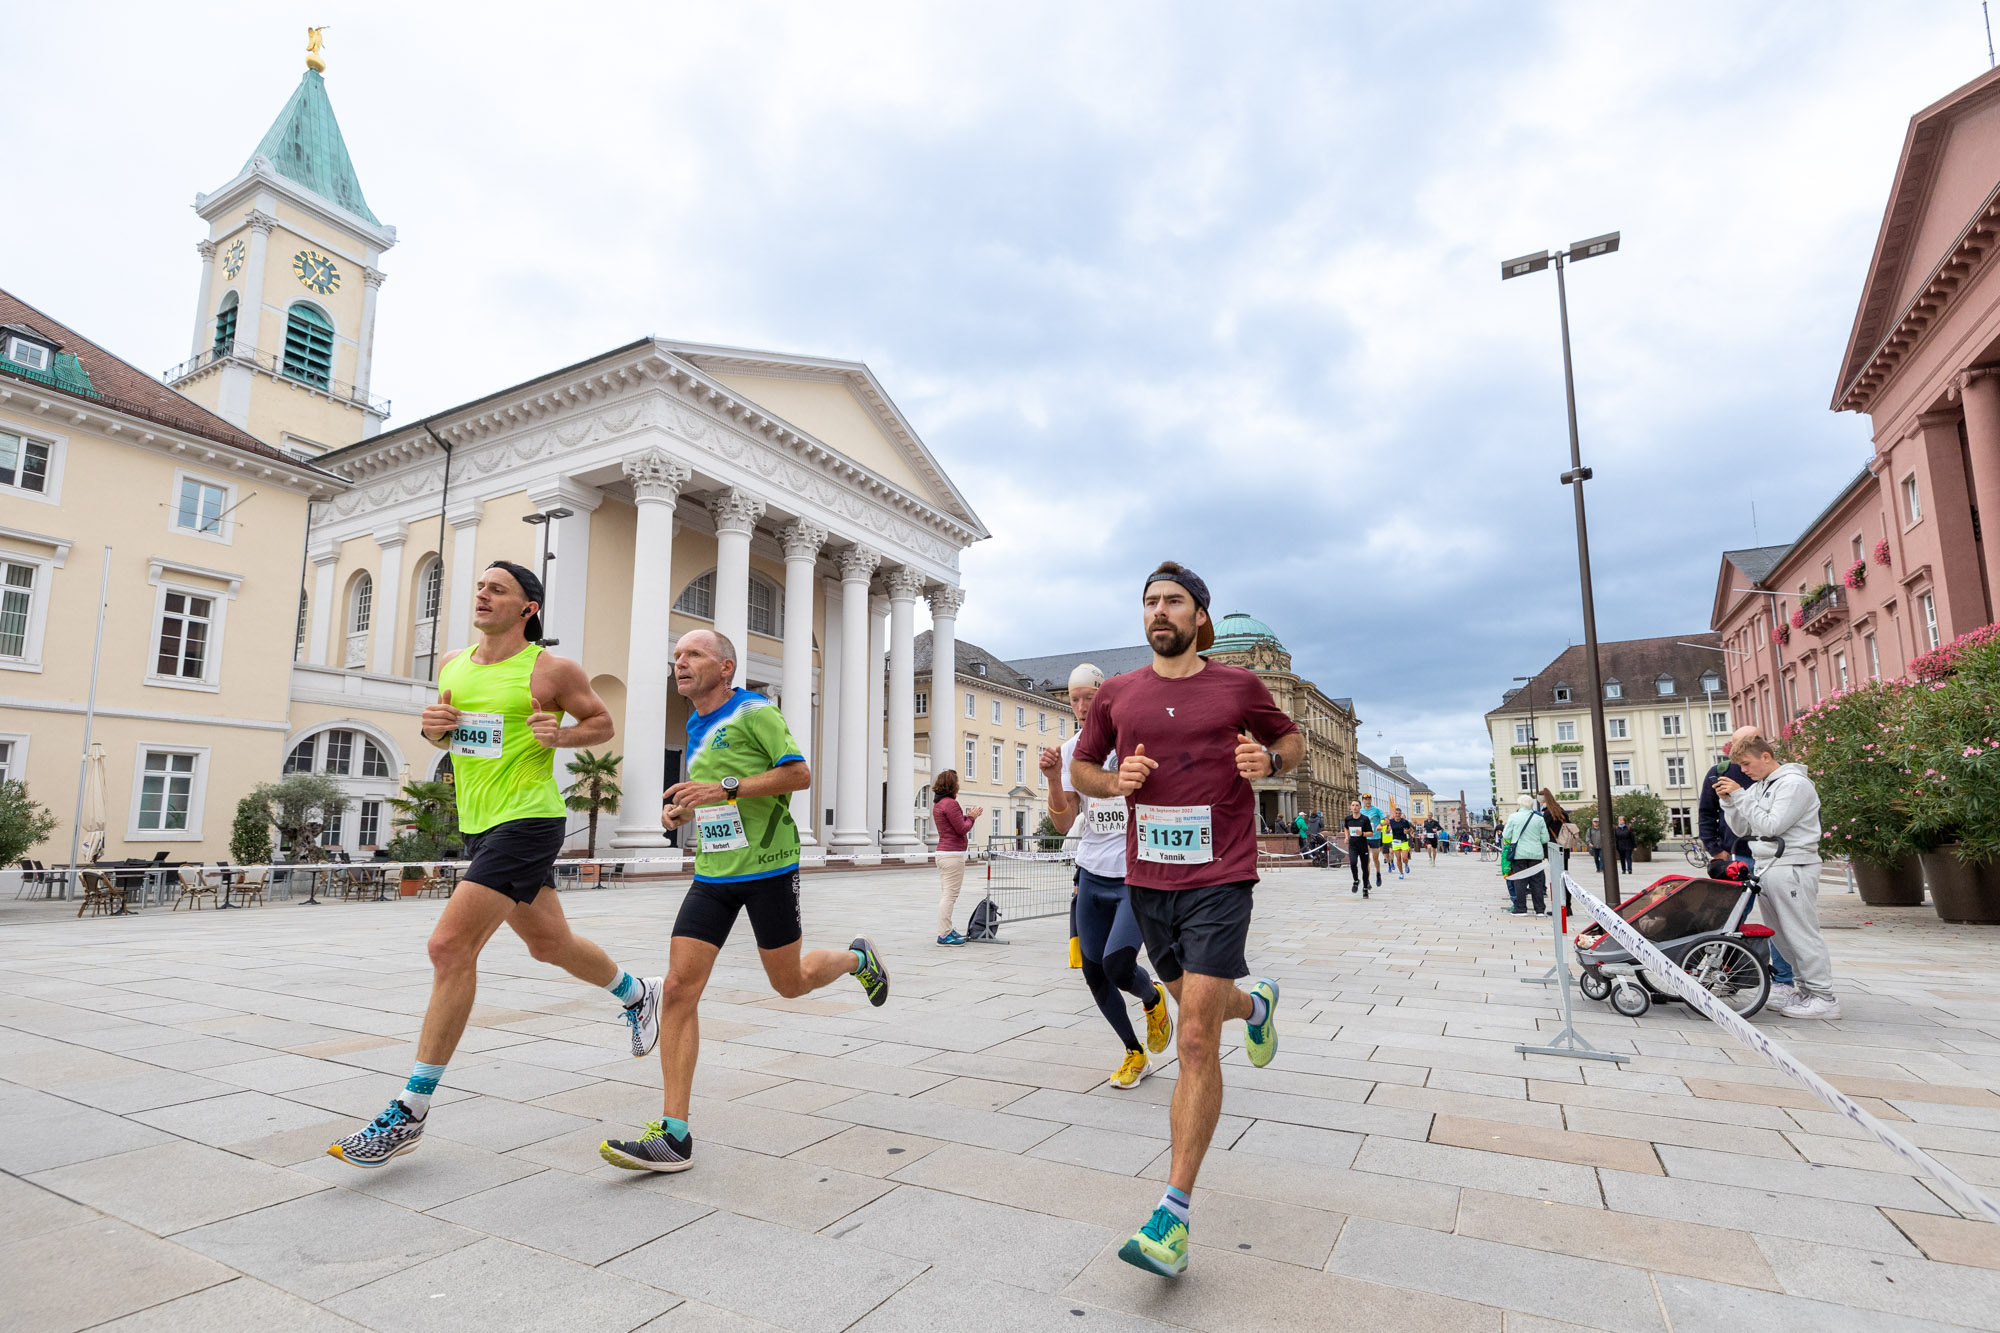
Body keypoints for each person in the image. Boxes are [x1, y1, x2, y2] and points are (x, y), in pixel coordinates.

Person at [329, 562, 652, 1169]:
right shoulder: (453, 663)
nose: (482, 595)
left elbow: (602, 723)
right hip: (478, 824)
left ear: (528, 607)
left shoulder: (550, 669)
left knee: (449, 947)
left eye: (497, 589)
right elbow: (446, 737)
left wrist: (561, 737)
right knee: (550, 945)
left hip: (529, 818)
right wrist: (433, 731)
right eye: (480, 587)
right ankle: (637, 994)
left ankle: (410, 1110)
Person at [1071, 561, 1302, 1279]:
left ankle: (1173, 1212)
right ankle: (1255, 1002)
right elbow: (1083, 768)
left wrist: (1265, 758)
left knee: (1195, 1037)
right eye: (1149, 602)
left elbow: (1290, 742)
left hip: (1221, 876)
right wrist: (1114, 781)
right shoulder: (1119, 693)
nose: (1158, 611)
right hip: (1149, 884)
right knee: (1199, 1004)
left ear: (1201, 615)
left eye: (1172, 600)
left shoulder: (1238, 685)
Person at [599, 630, 889, 1173]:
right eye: (677, 656)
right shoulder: (695, 723)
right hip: (713, 873)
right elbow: (712, 797)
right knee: (681, 989)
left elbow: (798, 774)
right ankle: (674, 1134)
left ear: (726, 667)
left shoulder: (755, 711)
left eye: (694, 655)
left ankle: (858, 959)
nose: (680, 663)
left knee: (789, 982)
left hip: (769, 868)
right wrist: (684, 811)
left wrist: (722, 788)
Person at [1042, 663, 1173, 1089]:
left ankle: (1152, 997)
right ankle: (1134, 1053)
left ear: (1105, 696)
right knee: (1093, 971)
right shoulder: (1072, 750)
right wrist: (1050, 780)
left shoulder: (1132, 736)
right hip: (1091, 873)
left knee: (1118, 963)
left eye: (1088, 698)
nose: (1081, 707)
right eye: (1074, 699)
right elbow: (1063, 824)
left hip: (1134, 873)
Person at [1715, 734, 1840, 1019]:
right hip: (1768, 864)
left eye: (1747, 764)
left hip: (1792, 863)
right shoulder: (1761, 786)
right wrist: (1729, 803)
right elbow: (1744, 829)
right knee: (1782, 936)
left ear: (1766, 756)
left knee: (1800, 931)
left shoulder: (1794, 784)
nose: (1744, 770)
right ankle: (1805, 989)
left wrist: (1740, 795)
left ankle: (1823, 996)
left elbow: (1772, 826)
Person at [1701, 726, 1797, 1005]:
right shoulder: (1719, 771)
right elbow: (1707, 813)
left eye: (1749, 743)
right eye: (1738, 745)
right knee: (1733, 917)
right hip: (1737, 854)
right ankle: (1731, 972)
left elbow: (1771, 820)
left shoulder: (1774, 777)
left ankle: (1783, 978)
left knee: (1776, 918)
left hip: (1772, 854)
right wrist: (1716, 850)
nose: (1743, 760)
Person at [930, 770, 982, 945]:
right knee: (950, 896)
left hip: (943, 853)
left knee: (947, 894)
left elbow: (955, 824)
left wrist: (967, 816)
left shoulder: (938, 804)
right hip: (953, 854)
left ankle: (947, 930)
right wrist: (972, 818)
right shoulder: (951, 803)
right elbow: (961, 828)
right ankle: (944, 934)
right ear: (953, 785)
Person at [1499, 793, 1549, 915]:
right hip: (1536, 854)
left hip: (1519, 853)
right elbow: (1545, 838)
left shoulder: (1513, 817)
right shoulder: (1539, 818)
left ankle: (1521, 909)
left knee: (1520, 880)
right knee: (1536, 881)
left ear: (1520, 804)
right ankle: (1540, 910)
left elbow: (1506, 835)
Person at [1341, 799, 1373, 896]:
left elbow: (1371, 833)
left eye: (1357, 805)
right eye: (1353, 805)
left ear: (1360, 807)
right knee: (1353, 863)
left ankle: (1365, 888)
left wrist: (1362, 833)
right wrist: (1346, 837)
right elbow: (1346, 828)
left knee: (1364, 867)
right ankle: (1356, 880)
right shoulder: (1348, 819)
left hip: (1363, 846)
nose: (1355, 807)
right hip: (1353, 846)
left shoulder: (1365, 819)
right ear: (1350, 807)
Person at [1361, 794, 1385, 888]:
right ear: (1363, 800)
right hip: (1365, 838)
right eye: (1366, 799)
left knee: (1375, 858)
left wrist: (1380, 825)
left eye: (1369, 799)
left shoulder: (1377, 810)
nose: (1368, 801)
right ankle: (1367, 880)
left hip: (1375, 837)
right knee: (1366, 860)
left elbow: (1386, 820)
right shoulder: (1360, 811)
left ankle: (1378, 873)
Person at [1386, 807, 1413, 879]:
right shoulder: (1390, 821)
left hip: (1404, 841)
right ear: (1394, 814)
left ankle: (1406, 864)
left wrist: (1407, 832)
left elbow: (1410, 829)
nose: (1398, 815)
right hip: (1395, 841)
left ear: (1401, 814)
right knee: (1398, 858)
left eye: (1399, 814)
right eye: (1396, 813)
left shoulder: (1405, 821)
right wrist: (1388, 830)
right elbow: (1386, 831)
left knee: (1404, 858)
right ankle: (1401, 873)